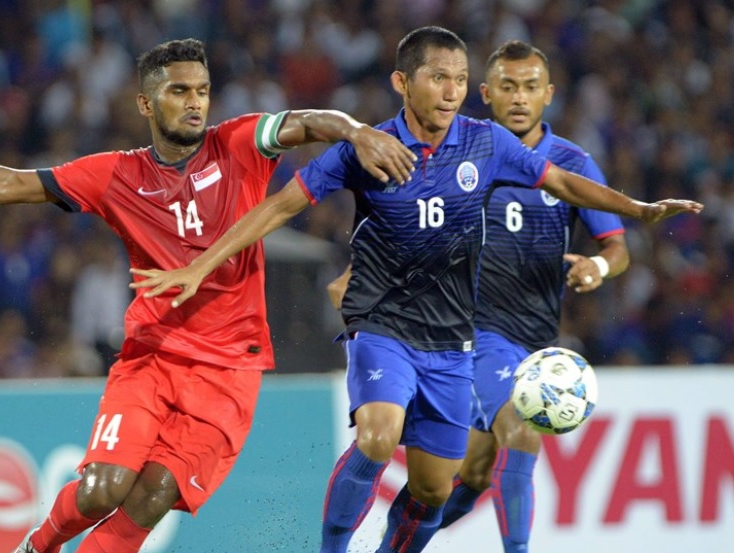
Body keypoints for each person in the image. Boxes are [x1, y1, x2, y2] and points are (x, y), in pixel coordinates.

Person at [129, 27, 702, 553]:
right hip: (382, 324)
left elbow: (558, 180)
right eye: (438, 77)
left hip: (451, 341)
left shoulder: (487, 143)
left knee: (434, 488)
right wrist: (202, 265)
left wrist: (637, 208)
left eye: (458, 79)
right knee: (379, 435)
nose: (451, 91)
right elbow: (281, 205)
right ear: (403, 82)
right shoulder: (368, 148)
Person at [0, 38, 417, 553]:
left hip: (229, 369)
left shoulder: (238, 143)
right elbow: (12, 184)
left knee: (153, 497)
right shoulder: (115, 174)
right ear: (147, 103)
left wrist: (355, 131)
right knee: (102, 490)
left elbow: (304, 122)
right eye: (179, 91)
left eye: (203, 90)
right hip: (153, 357)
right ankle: (38, 546)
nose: (195, 102)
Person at [328, 39, 631, 551]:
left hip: (532, 335)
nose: (519, 98)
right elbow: (404, 226)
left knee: (467, 476)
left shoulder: (571, 162)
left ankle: (394, 545)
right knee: (521, 429)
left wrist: (598, 266)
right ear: (486, 94)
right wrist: (357, 273)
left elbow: (617, 247)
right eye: (508, 87)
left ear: (549, 94)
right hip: (472, 329)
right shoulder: (464, 150)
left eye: (531, 87)